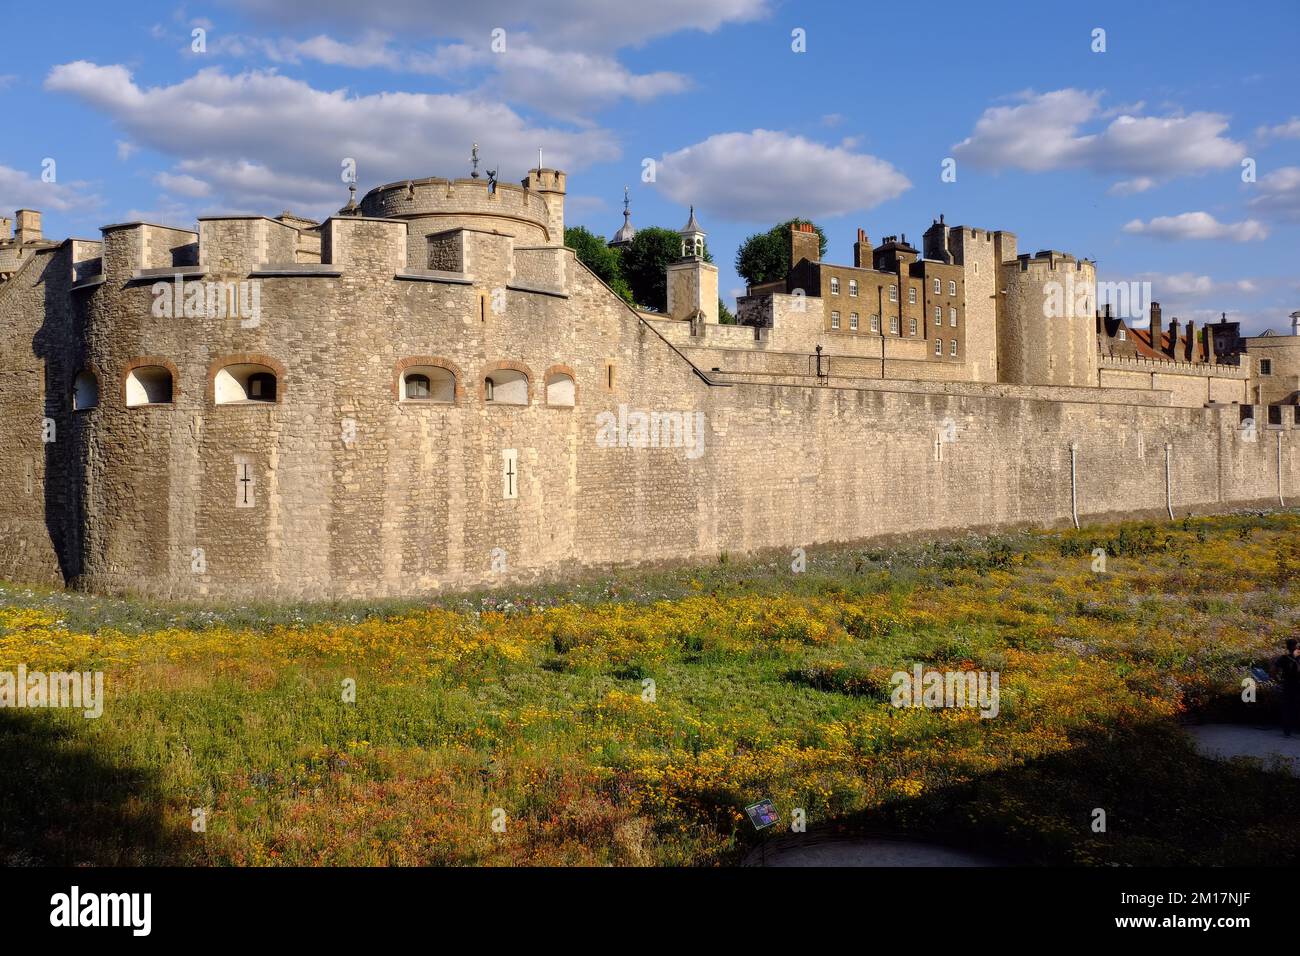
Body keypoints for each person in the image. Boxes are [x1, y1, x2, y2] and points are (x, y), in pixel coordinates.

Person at [1277, 639, 1300, 737]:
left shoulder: (1283, 658)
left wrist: (1278, 680)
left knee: (1287, 708)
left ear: (1287, 647)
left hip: (1287, 685)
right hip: (1298, 685)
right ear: (1296, 646)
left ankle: (1287, 731)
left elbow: (1273, 670)